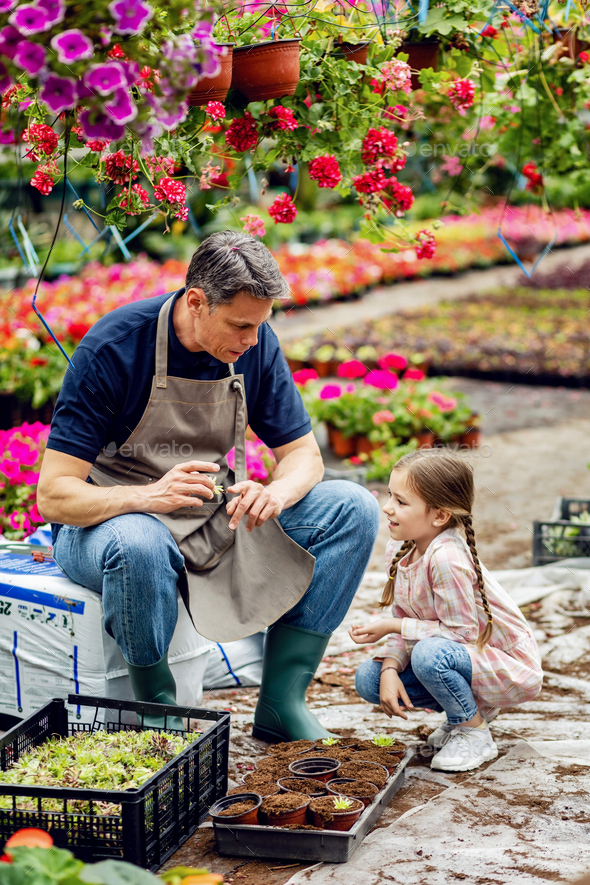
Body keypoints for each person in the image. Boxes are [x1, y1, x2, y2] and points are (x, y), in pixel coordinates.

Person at [37, 231, 380, 738]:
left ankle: (282, 702)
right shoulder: (115, 348)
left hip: (209, 516)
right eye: (240, 325)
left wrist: (276, 493)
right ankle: (159, 715)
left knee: (352, 507)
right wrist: (146, 498)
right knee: (139, 542)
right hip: (108, 525)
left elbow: (304, 455)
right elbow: (54, 493)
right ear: (196, 302)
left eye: (260, 326)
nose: (251, 341)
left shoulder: (255, 344)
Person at [349, 449, 542, 772]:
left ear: (439, 516)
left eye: (401, 501)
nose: (387, 507)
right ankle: (463, 713)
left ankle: (474, 731)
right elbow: (403, 615)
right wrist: (389, 669)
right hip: (459, 657)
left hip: (503, 665)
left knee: (430, 654)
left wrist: (392, 627)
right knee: (368, 679)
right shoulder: (399, 547)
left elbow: (459, 634)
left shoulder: (447, 558)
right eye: (389, 496)